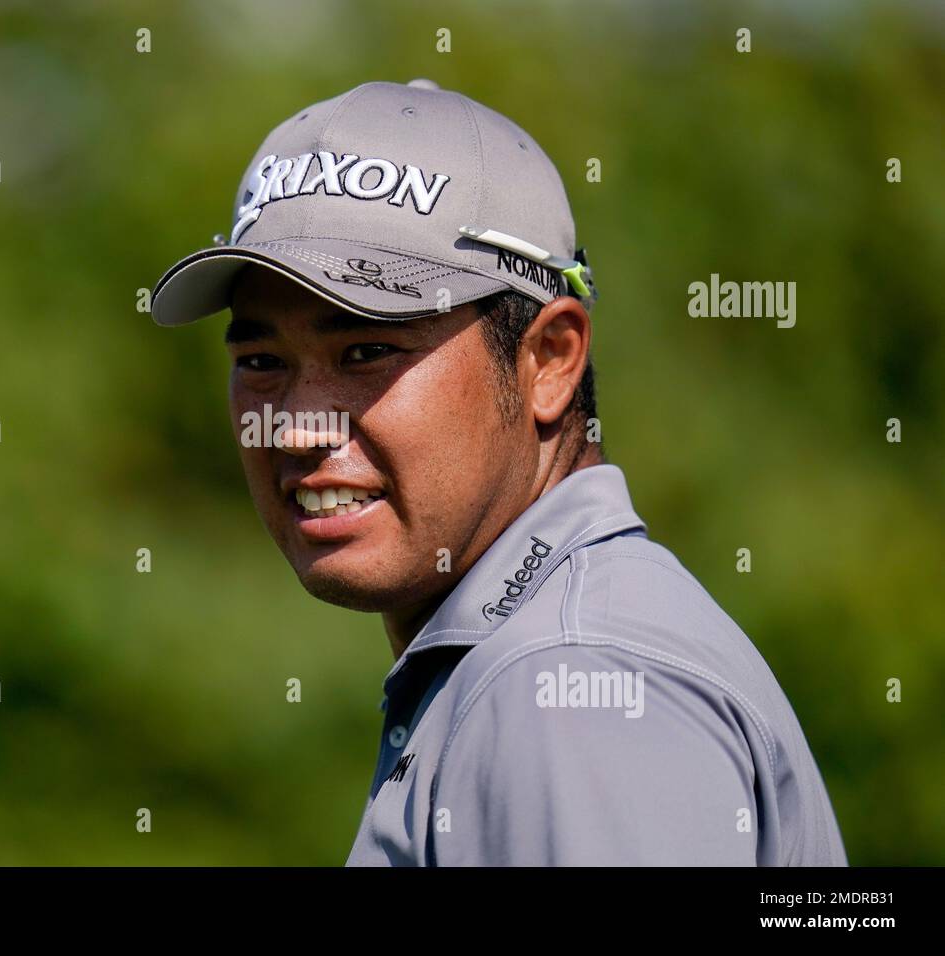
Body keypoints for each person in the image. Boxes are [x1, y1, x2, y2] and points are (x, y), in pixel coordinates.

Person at [150, 79, 846, 866]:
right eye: (262, 360)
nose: (300, 423)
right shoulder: (530, 658)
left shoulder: (567, 689)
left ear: (550, 360)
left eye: (368, 351)